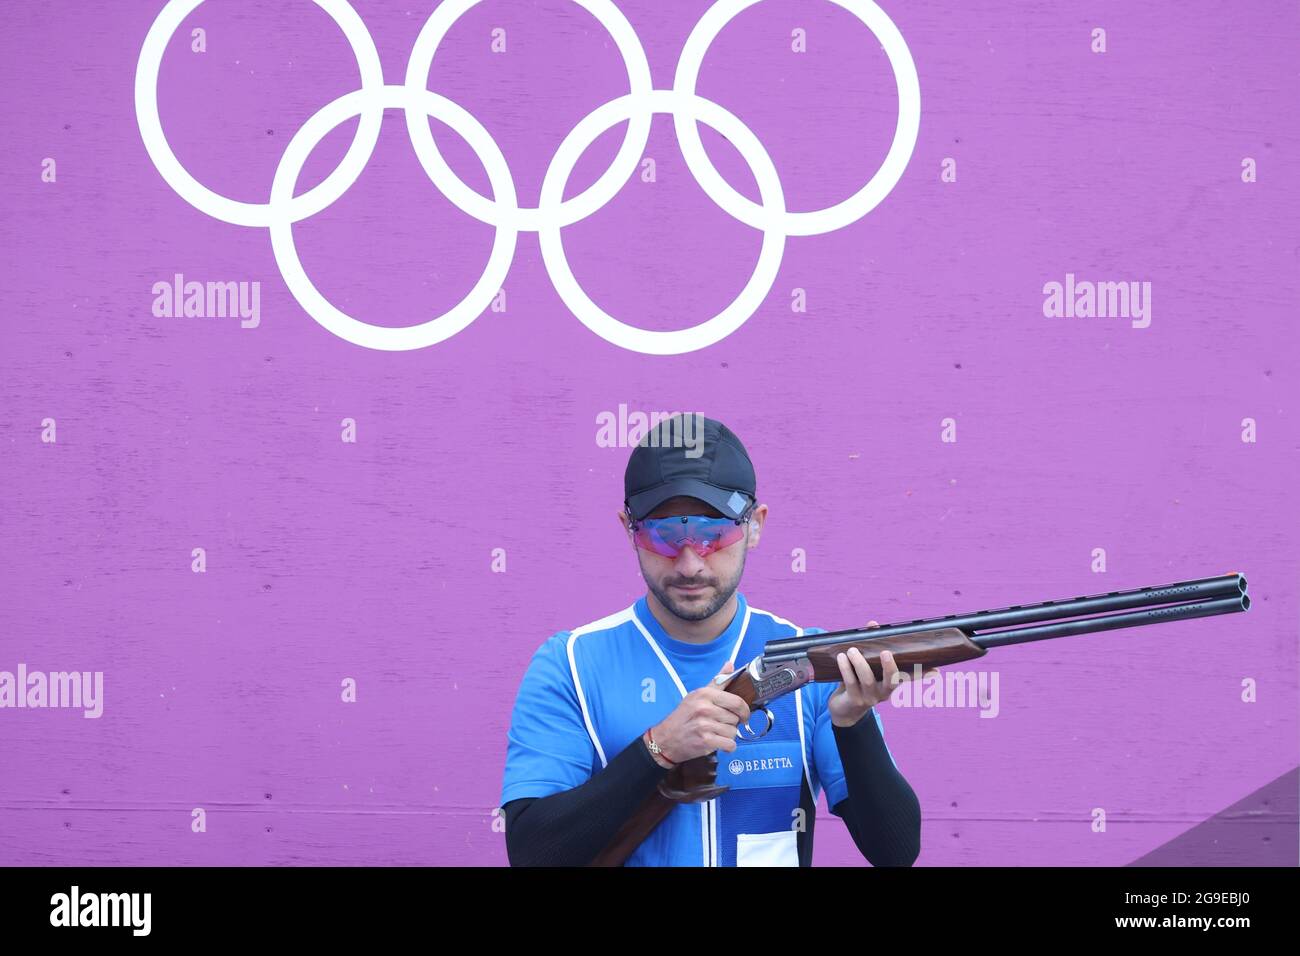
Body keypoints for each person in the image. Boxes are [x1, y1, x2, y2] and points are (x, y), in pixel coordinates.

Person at [498, 414, 924, 866]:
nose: (689, 564)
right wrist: (659, 748)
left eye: (712, 533)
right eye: (663, 535)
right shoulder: (570, 664)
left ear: (755, 525)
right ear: (629, 529)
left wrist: (853, 722)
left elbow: (894, 851)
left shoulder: (809, 661)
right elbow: (532, 853)